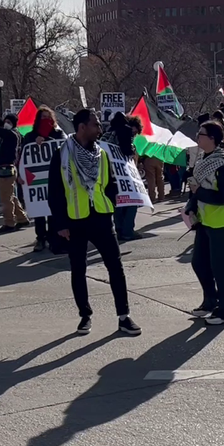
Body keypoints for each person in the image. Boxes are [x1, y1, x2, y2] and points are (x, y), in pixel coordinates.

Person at [48, 109, 140, 337]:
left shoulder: (102, 154)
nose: (100, 129)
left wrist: (110, 203)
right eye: (95, 125)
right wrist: (60, 224)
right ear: (82, 127)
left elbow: (110, 183)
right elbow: (55, 192)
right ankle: (85, 315)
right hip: (76, 219)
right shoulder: (62, 155)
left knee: (115, 268)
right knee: (78, 269)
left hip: (102, 217)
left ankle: (124, 316)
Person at [186, 120, 224, 325]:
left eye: (201, 134)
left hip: (222, 222)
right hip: (206, 221)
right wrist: (191, 205)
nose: (197, 137)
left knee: (223, 270)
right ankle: (210, 301)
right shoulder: (204, 159)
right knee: (199, 263)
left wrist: (199, 192)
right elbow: (198, 189)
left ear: (212, 139)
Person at [26, 107, 67, 253]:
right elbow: (23, 155)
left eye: (48, 117)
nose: (45, 119)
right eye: (42, 117)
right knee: (39, 210)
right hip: (38, 179)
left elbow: (64, 147)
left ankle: (53, 237)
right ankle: (40, 238)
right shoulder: (30, 136)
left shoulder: (59, 133)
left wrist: (49, 141)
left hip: (55, 178)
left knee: (53, 210)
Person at [0, 114, 29, 233]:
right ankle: (22, 218)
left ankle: (9, 223)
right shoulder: (4, 138)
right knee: (10, 196)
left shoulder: (12, 135)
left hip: (7, 169)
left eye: (9, 122)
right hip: (5, 169)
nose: (6, 124)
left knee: (5, 199)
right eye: (5, 121)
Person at [107, 112, 142, 241]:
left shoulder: (106, 135)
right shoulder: (125, 133)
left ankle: (120, 229)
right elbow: (128, 153)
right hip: (125, 175)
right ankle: (127, 231)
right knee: (133, 201)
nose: (134, 135)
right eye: (134, 132)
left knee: (119, 203)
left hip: (112, 175)